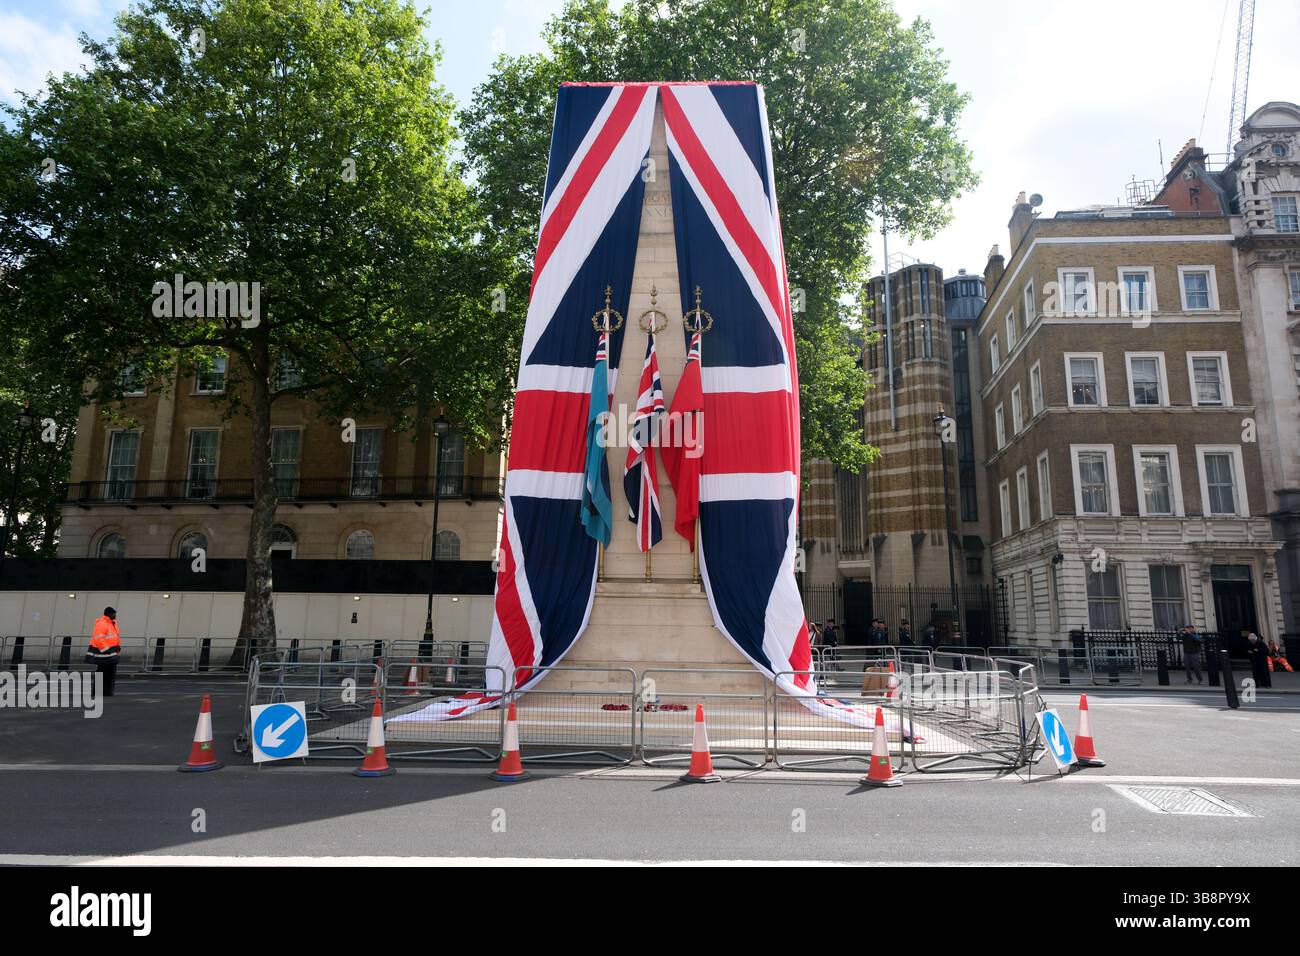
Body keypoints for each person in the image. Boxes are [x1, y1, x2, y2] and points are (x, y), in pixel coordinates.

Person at [86, 606, 122, 696]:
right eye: (114, 614)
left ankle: (107, 691)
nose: (115, 615)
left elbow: (115, 637)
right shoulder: (102, 624)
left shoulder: (112, 623)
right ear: (109, 614)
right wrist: (107, 650)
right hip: (104, 653)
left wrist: (117, 648)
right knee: (102, 672)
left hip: (111, 652)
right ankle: (98, 691)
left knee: (110, 673)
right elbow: (98, 638)